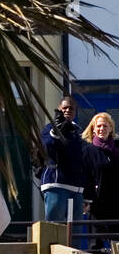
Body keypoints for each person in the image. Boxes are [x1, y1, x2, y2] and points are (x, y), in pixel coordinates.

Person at [39, 95, 98, 244]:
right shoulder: (49, 129)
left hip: (76, 190)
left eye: (71, 108)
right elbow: (47, 150)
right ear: (59, 109)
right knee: (54, 229)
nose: (67, 110)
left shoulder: (77, 133)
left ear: (75, 111)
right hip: (57, 185)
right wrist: (56, 132)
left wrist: (87, 196)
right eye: (64, 107)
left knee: (75, 234)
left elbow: (83, 165)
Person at [82, 112, 119, 240]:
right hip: (97, 203)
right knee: (95, 244)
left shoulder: (117, 149)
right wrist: (86, 199)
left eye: (105, 126)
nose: (101, 129)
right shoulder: (88, 151)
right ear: (93, 129)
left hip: (116, 202)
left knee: (117, 243)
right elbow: (85, 177)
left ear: (111, 129)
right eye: (98, 126)